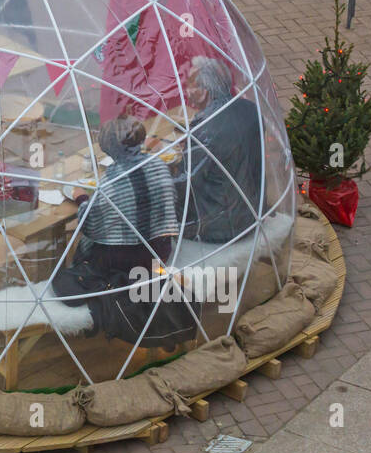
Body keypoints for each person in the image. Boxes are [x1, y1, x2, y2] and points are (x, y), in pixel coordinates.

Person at [53, 116, 178, 300]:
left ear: (108, 148)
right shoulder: (158, 165)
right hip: (159, 252)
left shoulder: (111, 181)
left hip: (125, 262)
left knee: (73, 261)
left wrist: (81, 198)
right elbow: (170, 204)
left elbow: (90, 224)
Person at [177, 56, 265, 244]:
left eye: (191, 85)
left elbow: (186, 184)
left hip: (219, 228)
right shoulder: (251, 110)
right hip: (253, 211)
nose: (186, 91)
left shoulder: (204, 130)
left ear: (204, 92)